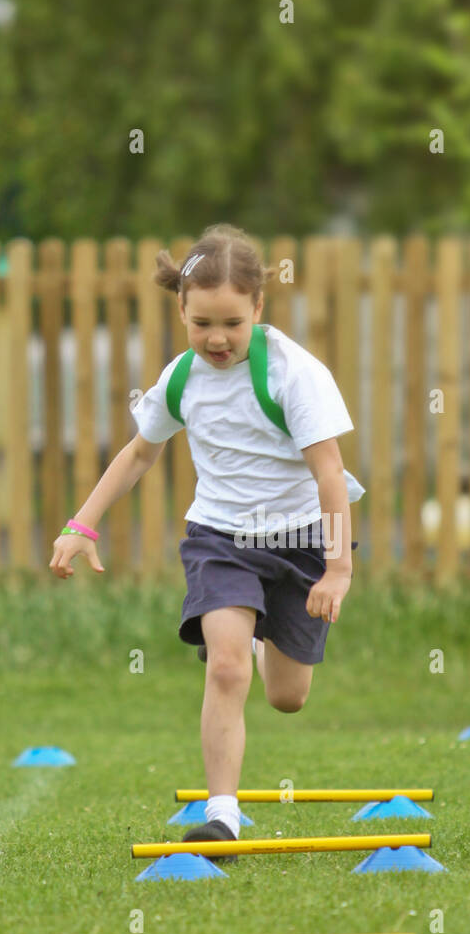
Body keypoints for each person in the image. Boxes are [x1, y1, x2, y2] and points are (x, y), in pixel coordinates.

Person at [49, 223, 365, 842]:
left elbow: (329, 472)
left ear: (258, 309)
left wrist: (338, 568)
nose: (216, 339)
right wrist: (82, 524)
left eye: (231, 323)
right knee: (224, 669)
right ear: (181, 310)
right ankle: (221, 813)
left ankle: (248, 638)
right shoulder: (179, 378)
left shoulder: (294, 375)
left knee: (287, 697)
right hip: (220, 536)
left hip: (300, 540)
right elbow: (139, 454)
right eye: (201, 324)